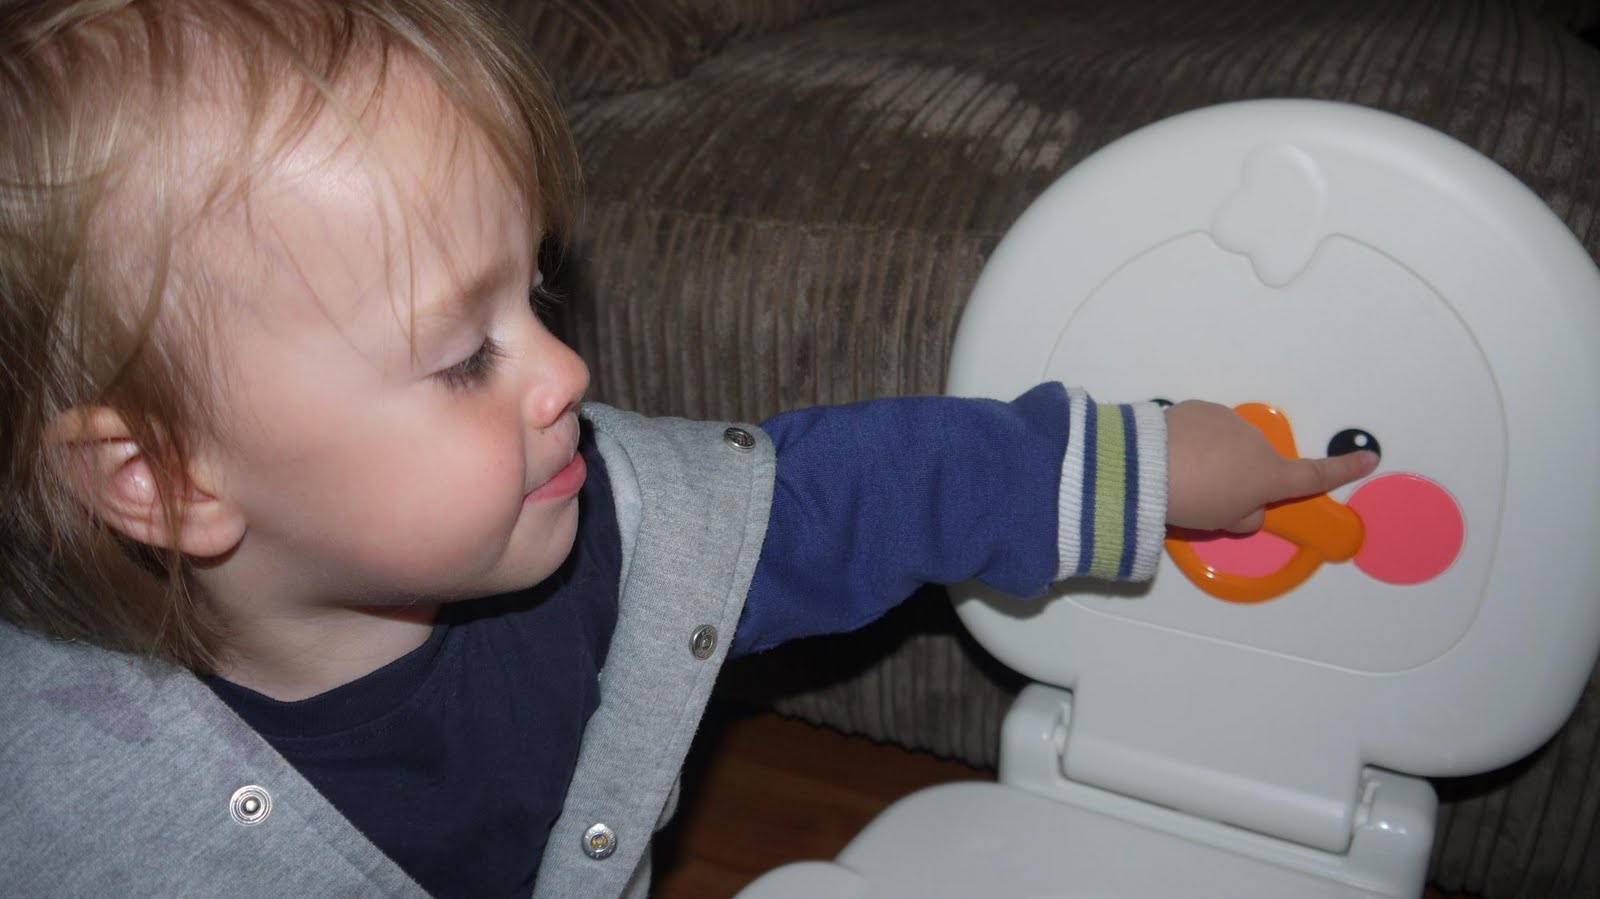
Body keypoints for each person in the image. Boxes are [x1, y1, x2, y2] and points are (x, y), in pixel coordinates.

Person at [0, 1, 1377, 896]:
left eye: (536, 295)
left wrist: (1143, 464)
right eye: (464, 356)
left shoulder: (608, 534)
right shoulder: (59, 815)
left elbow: (860, 494)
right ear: (162, 481)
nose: (568, 371)